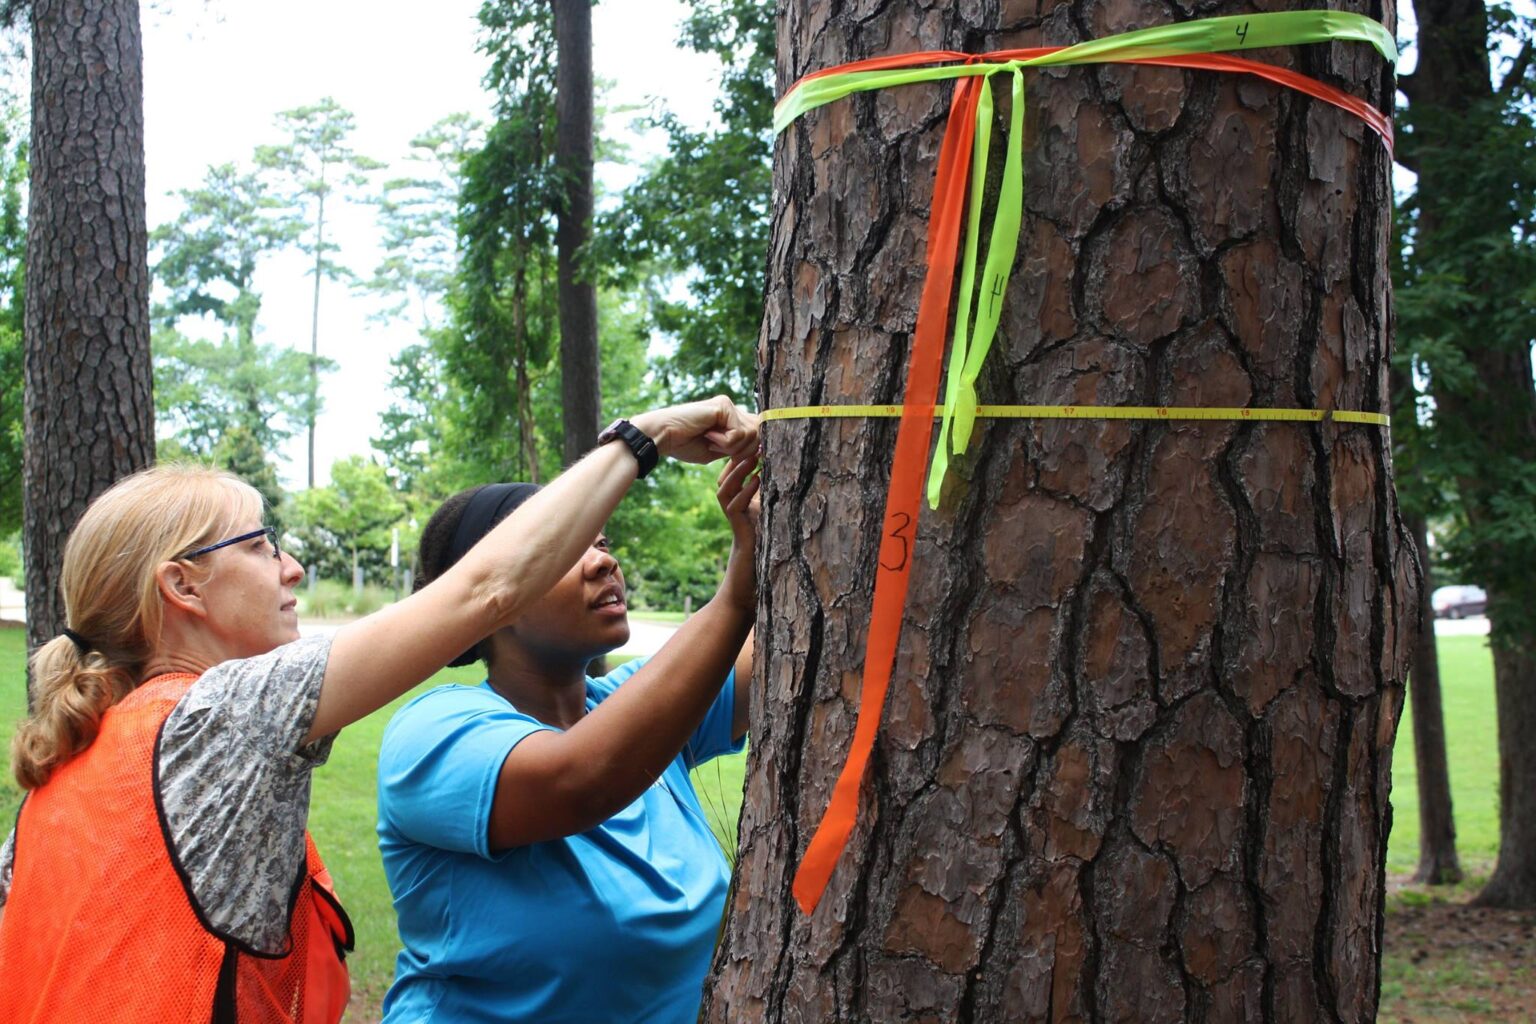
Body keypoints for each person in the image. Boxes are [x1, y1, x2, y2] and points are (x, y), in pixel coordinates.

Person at [0, 398, 756, 1024]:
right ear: (183, 588)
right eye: (262, 546)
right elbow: (481, 592)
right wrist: (643, 436)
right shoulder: (218, 718)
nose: (292, 567)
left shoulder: (65, 777)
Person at [373, 449, 761, 1023]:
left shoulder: (642, 710)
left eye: (602, 543)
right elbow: (580, 781)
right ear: (492, 597)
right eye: (569, 548)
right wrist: (736, 596)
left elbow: (783, 642)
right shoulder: (432, 734)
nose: (604, 563)